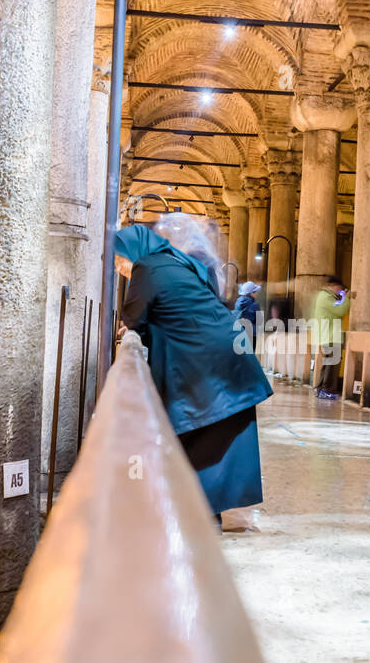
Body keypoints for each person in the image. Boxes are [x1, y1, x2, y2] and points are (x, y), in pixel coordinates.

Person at [114, 224, 272, 524]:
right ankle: (205, 515)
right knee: (216, 434)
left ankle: (198, 517)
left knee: (197, 430)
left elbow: (134, 315)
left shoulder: (146, 267)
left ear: (132, 251)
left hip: (205, 361)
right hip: (227, 351)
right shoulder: (175, 260)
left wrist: (131, 326)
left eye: (120, 260)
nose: (120, 268)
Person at [310, 277, 351, 400]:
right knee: (332, 364)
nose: (340, 292)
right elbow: (341, 310)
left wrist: (343, 297)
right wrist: (347, 298)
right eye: (339, 289)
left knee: (329, 363)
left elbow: (337, 307)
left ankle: (321, 388)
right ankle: (327, 390)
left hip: (329, 335)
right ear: (333, 286)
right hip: (331, 336)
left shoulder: (326, 296)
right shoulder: (326, 297)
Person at [233, 281, 262, 352]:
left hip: (237, 334)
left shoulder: (237, 303)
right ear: (251, 293)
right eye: (255, 291)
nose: (257, 293)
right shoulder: (254, 305)